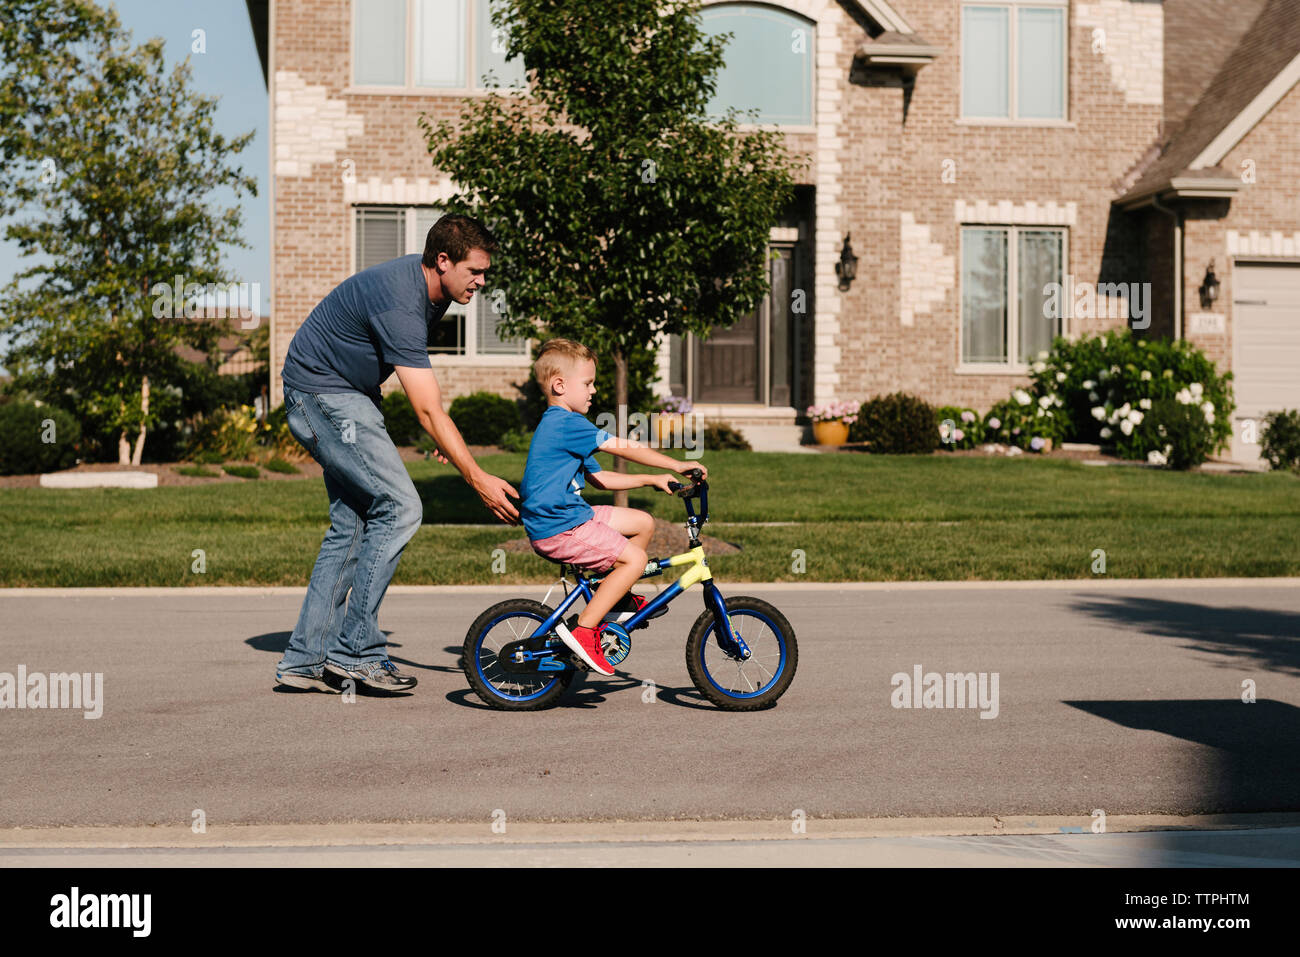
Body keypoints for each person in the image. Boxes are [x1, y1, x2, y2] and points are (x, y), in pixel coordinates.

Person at [275, 214, 519, 694]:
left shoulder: (434, 293)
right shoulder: (403, 300)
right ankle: (356, 654)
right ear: (443, 260)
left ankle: (306, 658)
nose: (482, 282)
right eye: (475, 270)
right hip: (323, 394)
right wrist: (477, 477)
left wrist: (434, 426)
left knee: (354, 524)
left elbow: (416, 392)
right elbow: (428, 410)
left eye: (485, 272)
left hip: (344, 395)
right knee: (402, 507)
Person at [521, 338, 707, 675]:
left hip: (570, 516)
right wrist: (676, 463)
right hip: (558, 526)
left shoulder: (565, 427)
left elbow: (601, 479)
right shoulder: (565, 423)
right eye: (588, 383)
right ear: (560, 385)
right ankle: (585, 630)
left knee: (642, 522)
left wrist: (651, 480)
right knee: (634, 559)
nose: (594, 391)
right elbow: (625, 447)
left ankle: (614, 597)